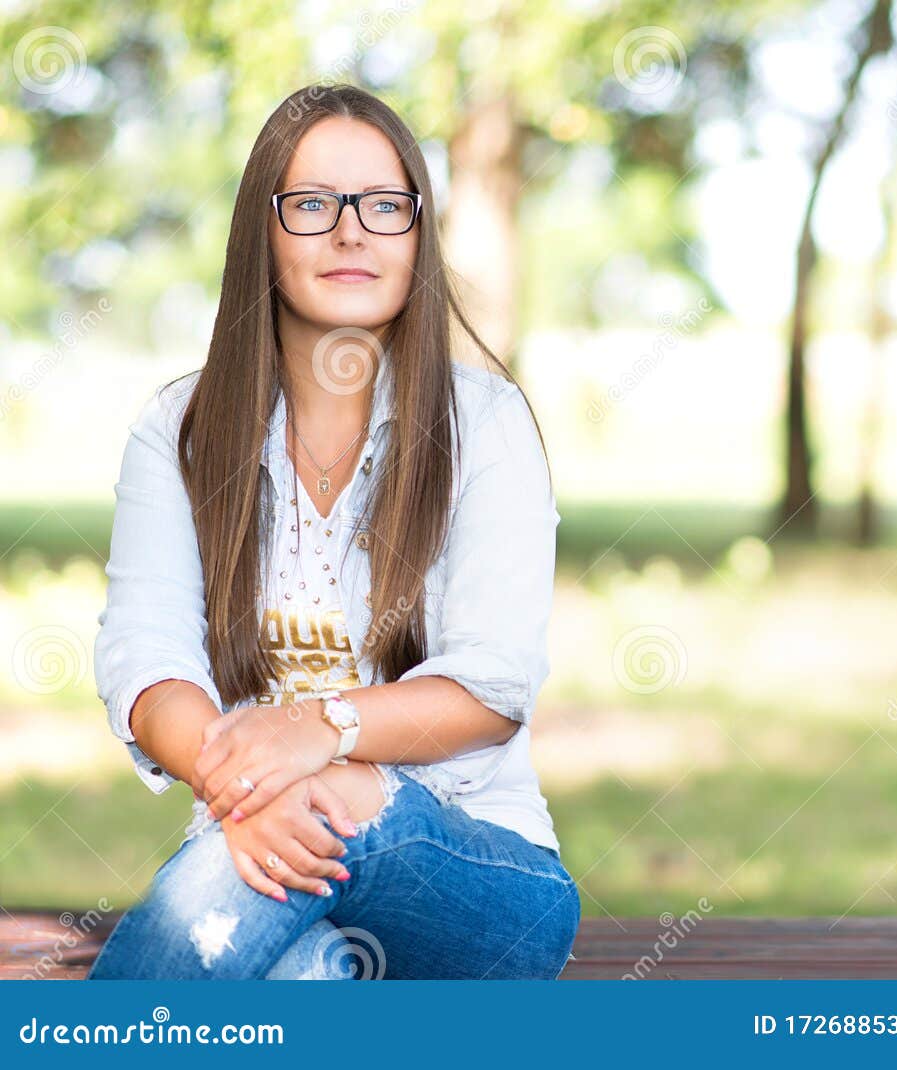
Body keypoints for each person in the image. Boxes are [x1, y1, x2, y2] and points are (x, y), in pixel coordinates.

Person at [86, 83, 578, 980]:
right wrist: (241, 784)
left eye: (385, 206)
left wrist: (321, 731)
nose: (352, 232)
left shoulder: (488, 423)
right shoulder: (181, 431)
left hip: (478, 892)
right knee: (302, 980)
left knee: (339, 794)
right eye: (313, 204)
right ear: (261, 231)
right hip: (259, 858)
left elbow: (492, 688)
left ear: (418, 233)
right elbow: (145, 661)